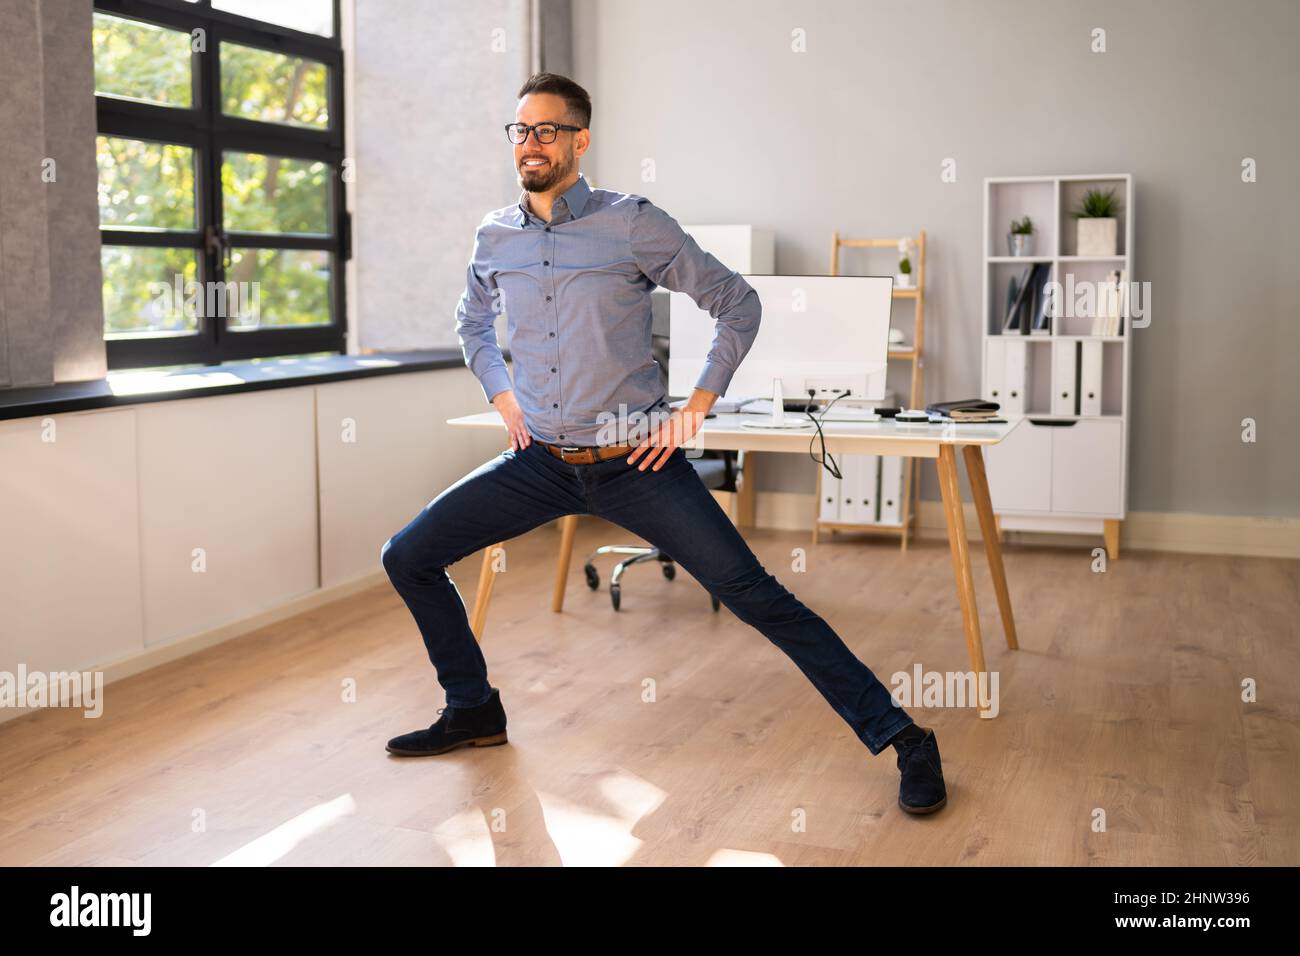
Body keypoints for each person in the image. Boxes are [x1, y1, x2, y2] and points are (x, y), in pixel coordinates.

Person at [380, 72, 946, 815]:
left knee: (755, 596)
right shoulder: (495, 234)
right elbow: (472, 323)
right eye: (520, 130)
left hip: (635, 464)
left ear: (581, 140)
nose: (531, 144)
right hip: (539, 462)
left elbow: (735, 302)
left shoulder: (632, 224)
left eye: (547, 130)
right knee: (408, 555)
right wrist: (502, 393)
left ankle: (905, 739)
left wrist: (698, 406)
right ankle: (474, 708)